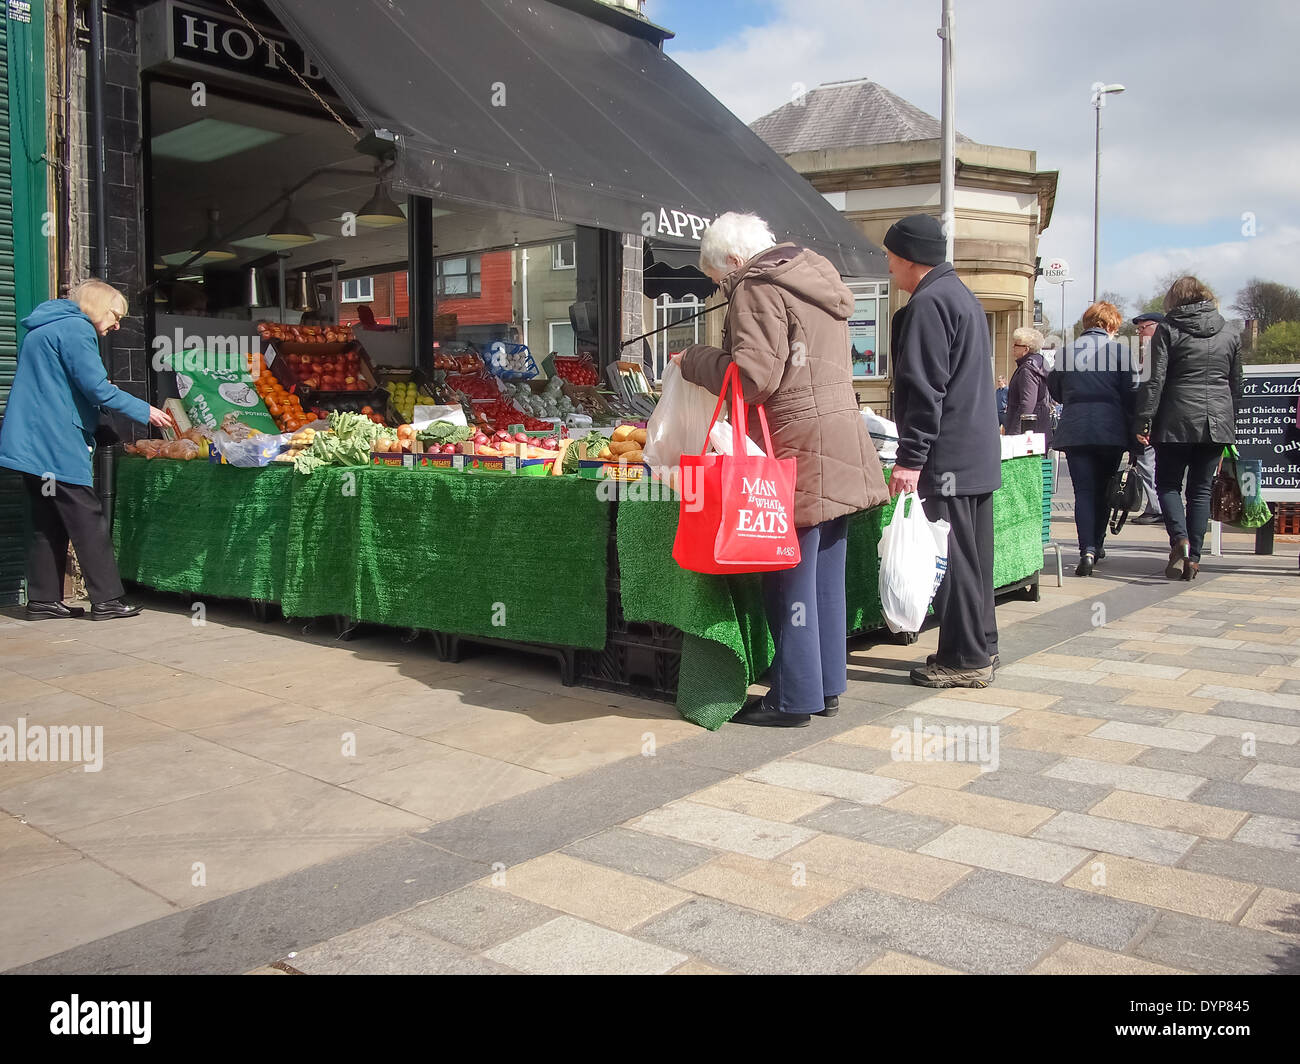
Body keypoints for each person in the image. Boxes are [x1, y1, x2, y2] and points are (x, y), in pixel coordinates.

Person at [676, 212, 888, 726]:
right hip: (840, 436)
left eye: (717, 280)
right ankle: (825, 684)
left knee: (788, 575)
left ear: (732, 260)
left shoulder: (755, 286)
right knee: (824, 575)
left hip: (795, 444)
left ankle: (793, 698)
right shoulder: (815, 278)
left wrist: (696, 359)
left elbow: (752, 379)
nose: (721, 288)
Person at [0, 280, 172, 620]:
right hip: (56, 440)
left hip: (31, 440)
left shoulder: (44, 326)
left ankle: (43, 600)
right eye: (115, 315)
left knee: (47, 519)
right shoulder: (77, 329)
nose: (117, 325)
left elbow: (64, 385)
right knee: (87, 517)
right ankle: (107, 599)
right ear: (97, 305)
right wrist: (145, 410)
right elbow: (96, 389)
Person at [885, 214, 1001, 689]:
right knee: (973, 560)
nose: (888, 265)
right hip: (975, 453)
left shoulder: (929, 303)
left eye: (891, 255)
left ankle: (966, 658)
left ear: (910, 258)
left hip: (947, 456)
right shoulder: (961, 296)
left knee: (950, 558)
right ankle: (981, 645)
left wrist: (911, 458)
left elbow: (924, 387)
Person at [1136, 276, 1243, 581]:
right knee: (1200, 490)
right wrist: (1232, 423)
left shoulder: (1168, 330)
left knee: (1168, 485)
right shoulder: (1230, 331)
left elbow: (1153, 381)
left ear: (1173, 299)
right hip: (1217, 422)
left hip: (1175, 420)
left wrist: (1143, 420)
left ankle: (1179, 540)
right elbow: (1237, 385)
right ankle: (1193, 557)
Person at [1047, 302, 1136, 576]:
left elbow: (1055, 390)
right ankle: (1097, 544)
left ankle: (1086, 549)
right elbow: (1132, 393)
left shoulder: (1065, 353)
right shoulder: (1121, 351)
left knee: (1083, 492)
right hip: (1110, 429)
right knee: (1105, 490)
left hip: (1075, 428)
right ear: (1110, 326)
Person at [1128, 312, 1165, 524]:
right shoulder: (1148, 352)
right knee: (1148, 463)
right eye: (1139, 329)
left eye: (1144, 328)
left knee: (1147, 463)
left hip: (1153, 420)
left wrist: (1144, 422)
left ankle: (1156, 507)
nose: (1140, 333)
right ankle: (1155, 506)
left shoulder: (1158, 352)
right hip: (1151, 419)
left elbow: (1152, 389)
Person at [1002, 327, 1053, 450]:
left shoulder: (1027, 370)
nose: (1012, 347)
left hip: (1028, 435)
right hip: (1038, 429)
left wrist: (1015, 434)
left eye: (1016, 345)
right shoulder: (1038, 364)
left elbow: (1027, 403)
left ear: (1026, 349)